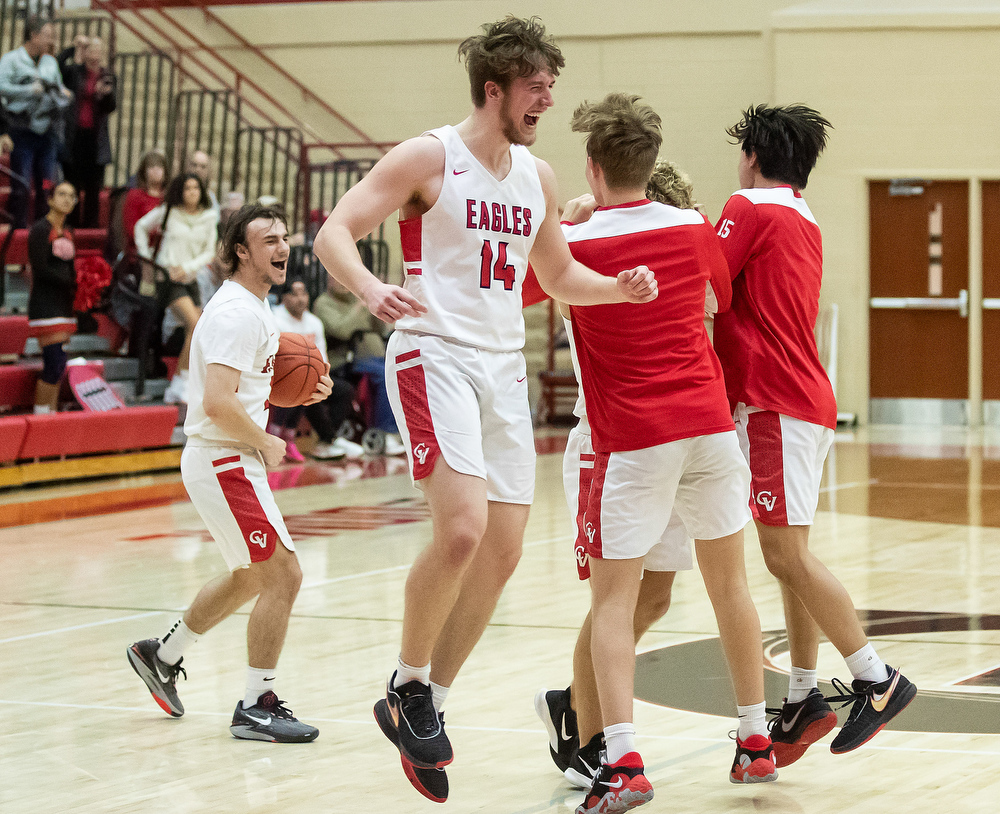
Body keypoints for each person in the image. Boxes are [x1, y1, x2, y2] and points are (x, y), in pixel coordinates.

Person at [312, 16, 656, 804]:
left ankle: (427, 699)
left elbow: (558, 276)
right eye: (536, 85)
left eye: (551, 85)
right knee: (462, 529)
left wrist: (618, 288)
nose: (548, 99)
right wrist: (371, 288)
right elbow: (335, 231)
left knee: (501, 551)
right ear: (494, 89)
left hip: (503, 369)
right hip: (433, 352)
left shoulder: (536, 177)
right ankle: (406, 681)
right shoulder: (428, 157)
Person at [559, 93, 781, 813]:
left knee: (614, 604)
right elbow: (719, 294)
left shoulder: (576, 243)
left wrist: (566, 220)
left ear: (592, 167)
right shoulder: (692, 226)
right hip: (710, 429)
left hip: (634, 438)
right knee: (731, 588)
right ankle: (755, 740)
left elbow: (530, 287)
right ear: (652, 161)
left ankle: (622, 761)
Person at [713, 103, 916, 764]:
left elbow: (705, 284)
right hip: (802, 398)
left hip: (773, 401)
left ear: (752, 155)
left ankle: (876, 678)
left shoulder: (748, 206)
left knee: (785, 556)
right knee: (789, 554)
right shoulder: (803, 214)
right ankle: (803, 695)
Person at [533, 159, 710, 790]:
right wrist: (566, 219)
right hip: (604, 443)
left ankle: (572, 700)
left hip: (667, 440)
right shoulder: (589, 257)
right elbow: (548, 274)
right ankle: (586, 737)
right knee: (613, 600)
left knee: (655, 597)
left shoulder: (677, 259)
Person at [126, 203, 331, 743]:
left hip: (225, 458)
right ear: (241, 251)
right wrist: (266, 440)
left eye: (284, 238)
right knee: (284, 575)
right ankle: (256, 706)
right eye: (269, 241)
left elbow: (248, 389)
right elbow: (218, 402)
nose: (283, 248)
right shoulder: (238, 313)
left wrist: (307, 387)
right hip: (224, 458)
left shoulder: (252, 308)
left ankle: (161, 655)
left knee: (252, 576)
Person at [134, 172, 219, 404]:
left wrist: (188, 267)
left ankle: (179, 384)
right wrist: (146, 257)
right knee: (196, 324)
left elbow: (209, 251)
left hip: (190, 278)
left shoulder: (209, 216)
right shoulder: (169, 211)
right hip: (167, 278)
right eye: (187, 188)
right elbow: (141, 227)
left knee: (199, 331)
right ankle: (181, 383)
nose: (192, 192)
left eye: (196, 188)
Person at [269, 277, 365, 461]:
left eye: (303, 293)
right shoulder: (275, 320)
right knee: (300, 386)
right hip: (278, 378)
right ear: (284, 297)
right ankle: (281, 438)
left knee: (344, 390)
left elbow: (323, 357)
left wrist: (321, 379)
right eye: (294, 294)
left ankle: (327, 440)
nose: (300, 299)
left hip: (308, 374)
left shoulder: (314, 322)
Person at [312, 274, 406, 456]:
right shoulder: (324, 303)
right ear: (329, 279)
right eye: (336, 277)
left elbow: (382, 329)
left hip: (371, 356)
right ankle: (385, 432)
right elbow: (341, 330)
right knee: (383, 374)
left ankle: (401, 430)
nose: (341, 282)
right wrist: (360, 306)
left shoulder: (359, 300)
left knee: (399, 370)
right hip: (343, 359)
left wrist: (378, 309)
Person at [0, 15, 72, 228]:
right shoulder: (11, 60)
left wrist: (63, 93)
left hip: (47, 131)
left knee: (47, 185)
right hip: (22, 129)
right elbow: (1, 87)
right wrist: (28, 90)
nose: (51, 40)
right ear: (33, 35)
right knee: (21, 185)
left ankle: (43, 231)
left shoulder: (50, 62)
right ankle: (19, 231)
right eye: (47, 35)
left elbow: (58, 86)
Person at [27, 181, 78, 413]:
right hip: (45, 303)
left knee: (59, 365)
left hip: (64, 304)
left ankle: (52, 413)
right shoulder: (40, 229)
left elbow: (70, 267)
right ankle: (40, 414)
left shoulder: (69, 231)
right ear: (50, 199)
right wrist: (71, 281)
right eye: (62, 194)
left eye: (71, 195)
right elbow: (40, 268)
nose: (67, 199)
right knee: (54, 361)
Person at [61, 36, 116, 228]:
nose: (94, 55)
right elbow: (59, 67)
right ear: (85, 53)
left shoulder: (107, 76)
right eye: (91, 50)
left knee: (94, 185)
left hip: (95, 138)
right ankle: (72, 223)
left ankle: (90, 226)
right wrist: (72, 48)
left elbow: (111, 107)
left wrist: (103, 95)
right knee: (73, 182)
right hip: (75, 136)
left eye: (98, 50)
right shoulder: (75, 72)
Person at [121, 149, 168, 263]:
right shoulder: (135, 195)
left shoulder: (169, 197)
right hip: (139, 254)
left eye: (159, 167)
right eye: (151, 167)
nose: (156, 170)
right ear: (144, 172)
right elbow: (131, 231)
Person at [185, 149, 221, 213]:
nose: (198, 169)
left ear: (208, 171)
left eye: (203, 167)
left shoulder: (211, 197)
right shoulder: (179, 192)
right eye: (194, 165)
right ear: (188, 167)